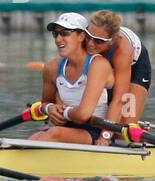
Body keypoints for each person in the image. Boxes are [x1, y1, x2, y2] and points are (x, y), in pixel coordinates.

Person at [28, 13, 115, 145]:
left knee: (53, 133)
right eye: (55, 34)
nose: (58, 39)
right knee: (36, 135)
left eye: (65, 33)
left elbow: (83, 115)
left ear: (81, 36)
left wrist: (62, 112)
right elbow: (45, 102)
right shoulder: (51, 68)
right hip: (66, 129)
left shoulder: (98, 65)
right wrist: (50, 109)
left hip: (95, 132)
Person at [86, 10, 152, 145]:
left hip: (136, 70)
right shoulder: (86, 38)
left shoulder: (122, 50)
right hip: (107, 64)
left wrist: (105, 135)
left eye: (98, 41)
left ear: (112, 40)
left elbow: (119, 99)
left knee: (123, 132)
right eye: (88, 36)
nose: (90, 44)